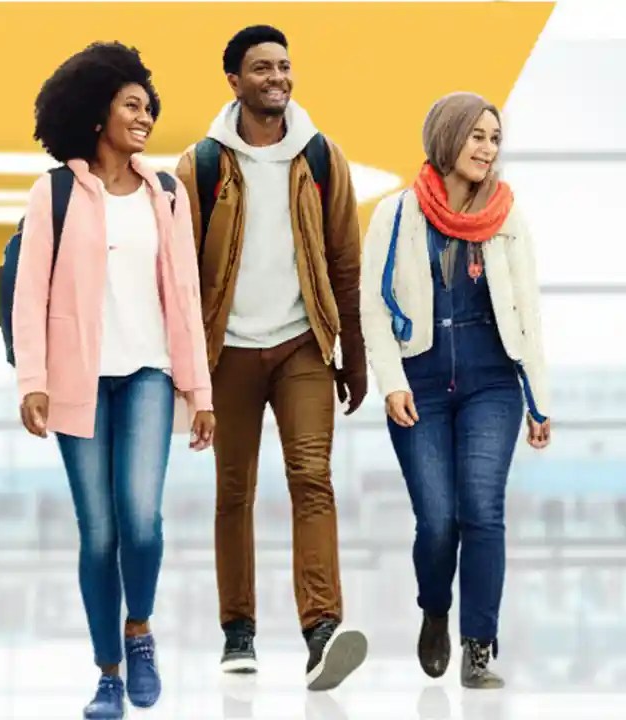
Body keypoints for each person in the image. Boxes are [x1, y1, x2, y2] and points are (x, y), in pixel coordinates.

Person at [14, 42, 216, 720]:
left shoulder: (166, 193)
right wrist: (32, 381)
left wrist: (199, 390)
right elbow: (28, 293)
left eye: (149, 107)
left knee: (143, 520)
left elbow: (184, 294)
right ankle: (106, 674)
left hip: (150, 376)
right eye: (132, 105)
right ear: (96, 112)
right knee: (97, 531)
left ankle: (140, 632)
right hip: (79, 380)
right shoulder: (56, 191)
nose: (145, 117)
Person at [174, 24, 369, 690]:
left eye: (285, 66)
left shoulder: (320, 158)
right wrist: (188, 375)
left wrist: (357, 355)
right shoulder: (201, 165)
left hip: (301, 346)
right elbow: (177, 275)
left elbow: (346, 260)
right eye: (262, 68)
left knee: (312, 480)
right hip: (226, 352)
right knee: (234, 492)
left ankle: (322, 631)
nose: (278, 78)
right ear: (233, 80)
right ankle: (239, 631)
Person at [360, 92, 552, 690]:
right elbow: (372, 305)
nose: (487, 148)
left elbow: (527, 311)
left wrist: (539, 399)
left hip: (491, 382)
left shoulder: (506, 216)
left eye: (494, 138)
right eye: (476, 135)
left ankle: (478, 644)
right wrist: (390, 384)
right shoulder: (397, 214)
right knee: (438, 519)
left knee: (482, 511)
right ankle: (435, 608)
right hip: (419, 383)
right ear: (446, 137)